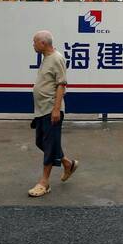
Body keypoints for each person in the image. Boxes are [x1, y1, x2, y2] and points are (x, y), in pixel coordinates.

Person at [27, 29, 77, 198]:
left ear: (43, 43)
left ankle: (44, 183)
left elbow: (61, 84)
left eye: (34, 42)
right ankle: (67, 163)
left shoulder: (57, 58)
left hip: (51, 110)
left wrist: (56, 109)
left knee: (49, 145)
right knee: (41, 142)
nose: (33, 45)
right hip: (41, 110)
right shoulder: (46, 59)